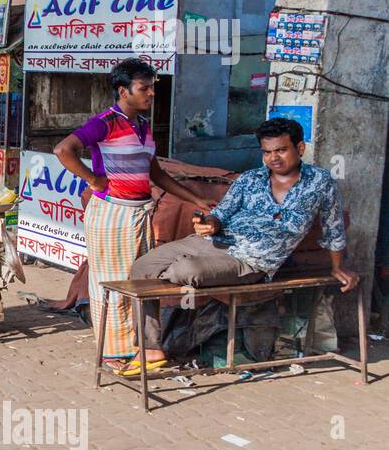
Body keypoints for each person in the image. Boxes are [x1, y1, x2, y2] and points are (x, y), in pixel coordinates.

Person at [127, 117, 356, 365]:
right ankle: (151, 349)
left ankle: (187, 269)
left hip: (250, 261)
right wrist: (210, 223)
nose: (273, 158)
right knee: (142, 267)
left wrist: (337, 266)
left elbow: (334, 228)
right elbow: (221, 213)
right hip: (213, 242)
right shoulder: (250, 179)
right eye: (267, 152)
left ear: (299, 148)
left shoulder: (321, 182)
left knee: (187, 269)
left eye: (281, 150)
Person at [53, 59, 218, 371]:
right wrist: (94, 179)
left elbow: (156, 174)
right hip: (111, 215)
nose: (151, 94)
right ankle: (114, 353)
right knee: (114, 283)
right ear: (123, 91)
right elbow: (64, 150)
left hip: (138, 216)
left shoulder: (143, 126)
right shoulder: (105, 122)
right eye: (144, 88)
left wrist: (196, 197)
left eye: (152, 88)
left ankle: (141, 349)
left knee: (139, 280)